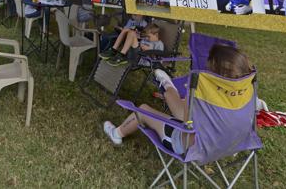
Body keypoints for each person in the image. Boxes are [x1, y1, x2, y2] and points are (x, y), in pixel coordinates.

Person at [103, 44, 253, 152]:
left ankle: (117, 134)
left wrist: (170, 92)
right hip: (226, 146)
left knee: (142, 110)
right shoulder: (247, 93)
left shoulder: (203, 92)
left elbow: (181, 116)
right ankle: (168, 86)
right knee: (181, 106)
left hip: (190, 145)